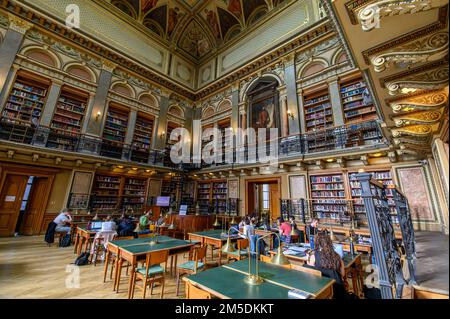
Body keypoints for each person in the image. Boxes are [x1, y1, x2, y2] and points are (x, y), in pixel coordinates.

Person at [306, 232, 348, 299]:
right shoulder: (337, 256)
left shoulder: (314, 256)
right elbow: (342, 274)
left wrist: (308, 260)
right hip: (338, 290)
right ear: (329, 242)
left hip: (321, 289)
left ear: (317, 243)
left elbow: (312, 273)